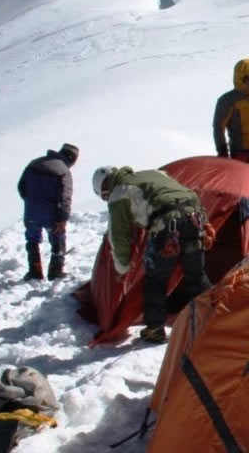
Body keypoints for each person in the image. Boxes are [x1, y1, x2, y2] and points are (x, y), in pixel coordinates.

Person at [92, 166, 211, 344]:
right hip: (194, 219)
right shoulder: (155, 174)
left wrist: (122, 268)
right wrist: (206, 223)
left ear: (105, 189)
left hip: (167, 226)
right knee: (196, 275)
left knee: (156, 279)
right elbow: (187, 193)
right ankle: (215, 317)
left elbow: (119, 235)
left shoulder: (119, 193)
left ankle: (155, 329)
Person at [17, 143, 79, 281]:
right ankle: (55, 271)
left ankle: (35, 271)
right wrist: (63, 218)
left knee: (32, 239)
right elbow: (65, 197)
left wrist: (31, 202)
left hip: (31, 211)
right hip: (51, 213)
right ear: (71, 158)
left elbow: (21, 186)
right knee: (58, 238)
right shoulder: (63, 171)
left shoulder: (34, 163)